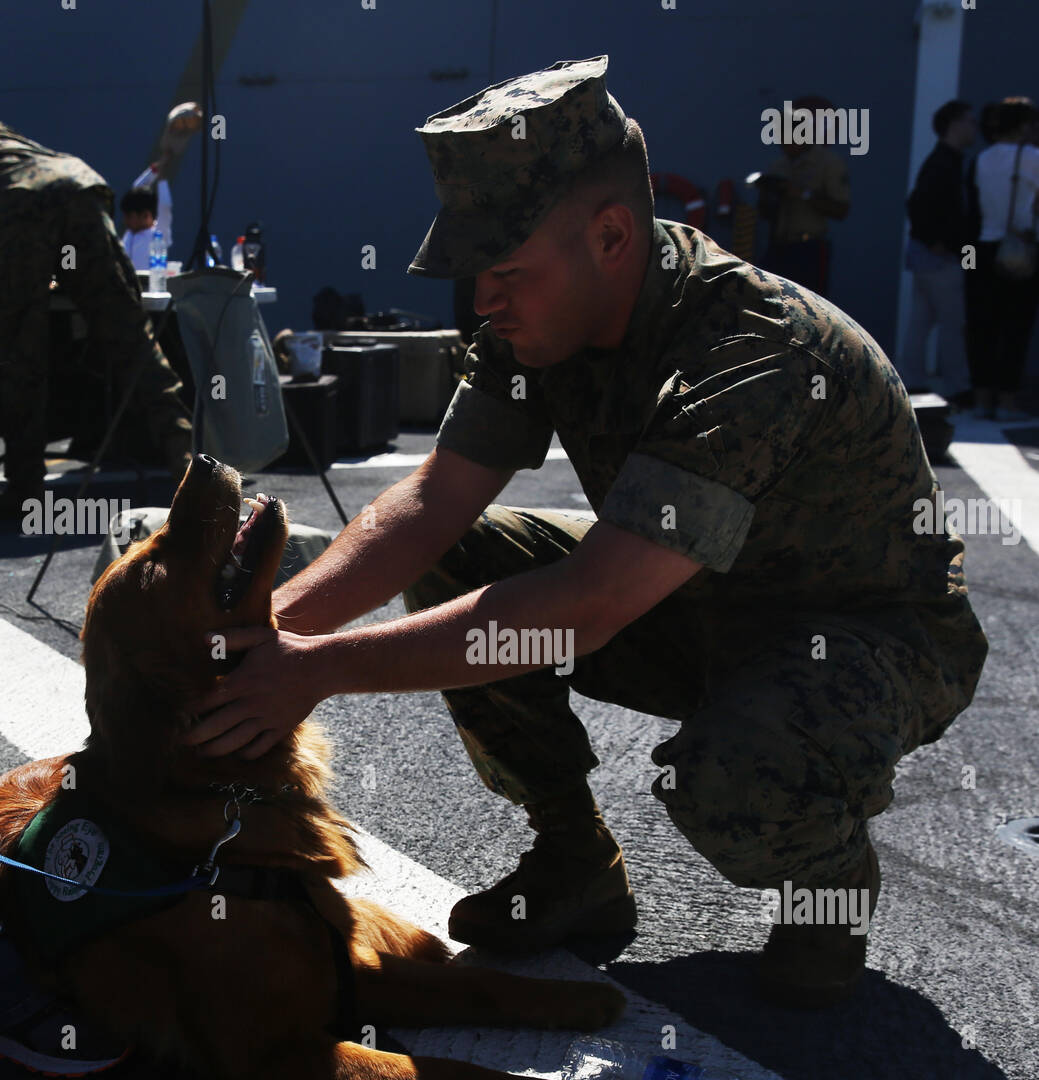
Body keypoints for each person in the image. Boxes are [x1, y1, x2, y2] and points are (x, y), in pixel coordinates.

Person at [179, 55, 988, 1012]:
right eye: (478, 271)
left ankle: (825, 887)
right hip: (691, 603)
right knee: (459, 554)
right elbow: (431, 502)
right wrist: (255, 637)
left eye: (507, 270)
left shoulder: (751, 354)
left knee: (734, 780)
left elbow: (588, 607)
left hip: (862, 637)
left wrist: (312, 670)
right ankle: (573, 861)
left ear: (611, 236)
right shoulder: (541, 324)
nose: (484, 298)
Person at [0, 106, 200, 521]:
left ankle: (25, 493)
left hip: (19, 201)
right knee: (132, 336)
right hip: (76, 182)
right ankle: (192, 473)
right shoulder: (14, 142)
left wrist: (28, 277)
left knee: (21, 360)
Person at [964, 96, 1039, 421]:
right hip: (1022, 247)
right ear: (1024, 125)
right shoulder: (1034, 158)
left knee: (984, 325)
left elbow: (975, 204)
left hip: (984, 246)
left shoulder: (982, 158)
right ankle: (1007, 400)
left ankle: (982, 398)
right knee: (1017, 326)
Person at [902, 100, 976, 408]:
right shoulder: (945, 164)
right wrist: (937, 240)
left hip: (927, 256)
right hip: (938, 258)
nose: (974, 128)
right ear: (955, 124)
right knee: (952, 323)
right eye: (969, 122)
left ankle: (912, 380)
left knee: (922, 321)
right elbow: (918, 204)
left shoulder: (944, 161)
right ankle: (958, 387)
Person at [757, 94, 850, 295]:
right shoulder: (778, 166)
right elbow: (765, 212)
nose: (781, 141)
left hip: (809, 248)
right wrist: (767, 193)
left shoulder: (828, 163)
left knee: (810, 306)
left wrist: (803, 194)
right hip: (779, 245)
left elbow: (841, 209)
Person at [120, 165, 172, 271]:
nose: (125, 221)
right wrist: (157, 168)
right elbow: (138, 188)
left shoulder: (159, 235)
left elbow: (165, 206)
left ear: (145, 215)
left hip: (148, 287)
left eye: (130, 216)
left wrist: (162, 180)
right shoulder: (129, 234)